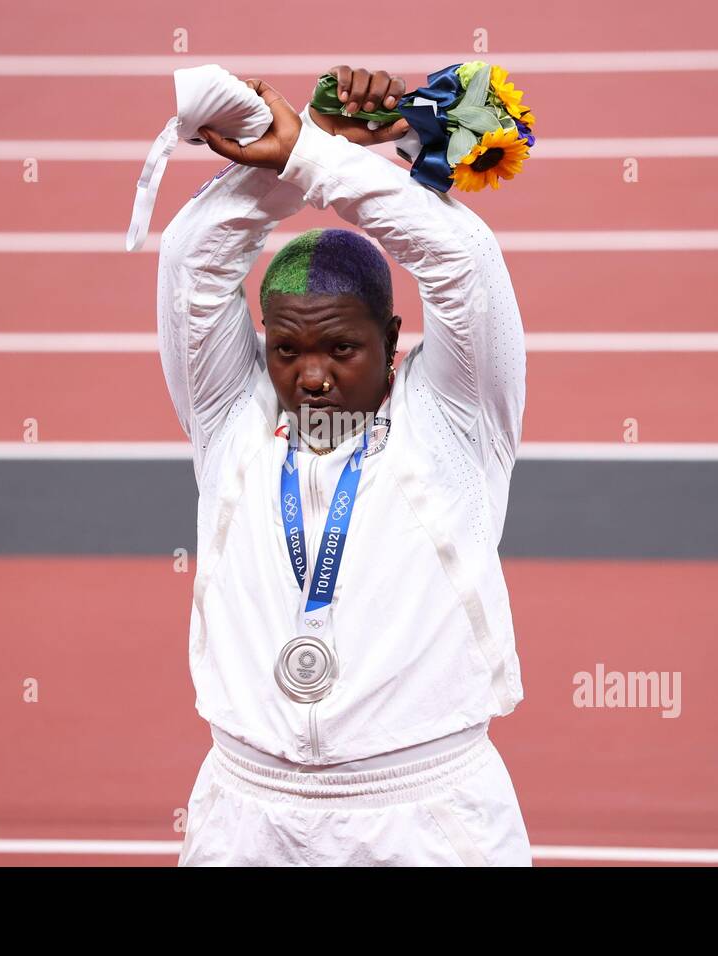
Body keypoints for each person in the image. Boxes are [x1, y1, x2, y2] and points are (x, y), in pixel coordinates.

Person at [156, 66, 530, 866]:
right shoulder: (231, 417)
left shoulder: (456, 418)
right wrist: (295, 163)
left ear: (394, 344)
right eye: (286, 349)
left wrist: (326, 161)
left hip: (429, 817)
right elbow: (193, 267)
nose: (312, 375)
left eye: (342, 347)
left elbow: (463, 262)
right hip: (246, 816)